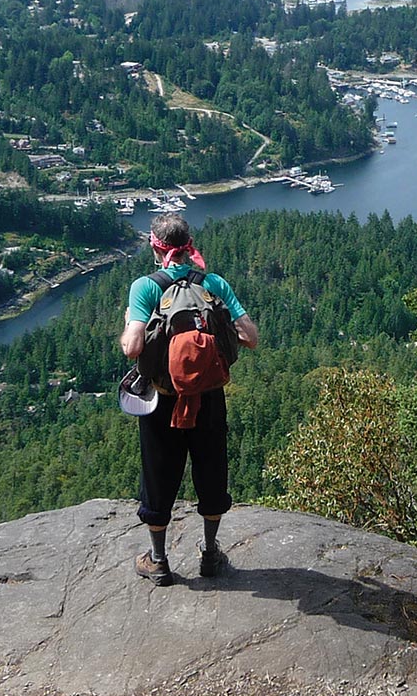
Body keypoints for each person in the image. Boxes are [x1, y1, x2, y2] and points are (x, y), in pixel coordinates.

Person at [120, 213, 259, 586]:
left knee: (159, 473)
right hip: (209, 397)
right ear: (190, 244)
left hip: (163, 400)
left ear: (155, 246)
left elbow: (133, 347)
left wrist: (131, 332)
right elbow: (250, 337)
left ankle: (158, 560)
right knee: (211, 470)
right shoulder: (213, 283)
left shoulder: (146, 286)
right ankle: (211, 554)